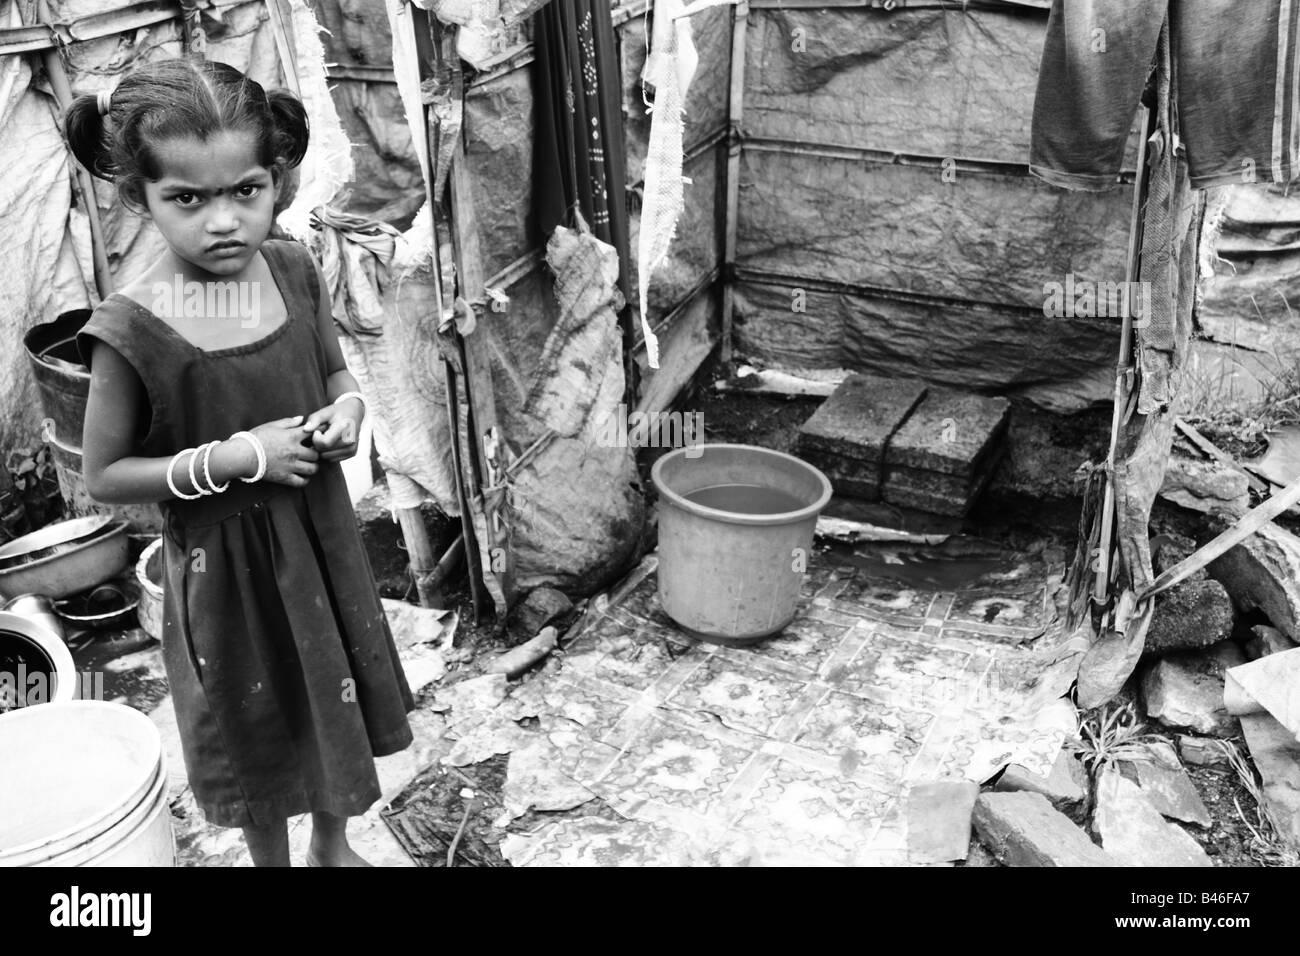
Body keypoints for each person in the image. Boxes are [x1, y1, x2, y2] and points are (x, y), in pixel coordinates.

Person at [65, 57, 414, 867]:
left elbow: (332, 370)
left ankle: (333, 846)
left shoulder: (291, 268)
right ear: (139, 196)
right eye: (187, 199)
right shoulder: (134, 327)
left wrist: (350, 409)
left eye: (245, 191)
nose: (223, 221)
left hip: (320, 543)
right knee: (259, 727)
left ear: (274, 180)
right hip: (227, 574)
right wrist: (232, 459)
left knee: (333, 698)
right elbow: (105, 476)